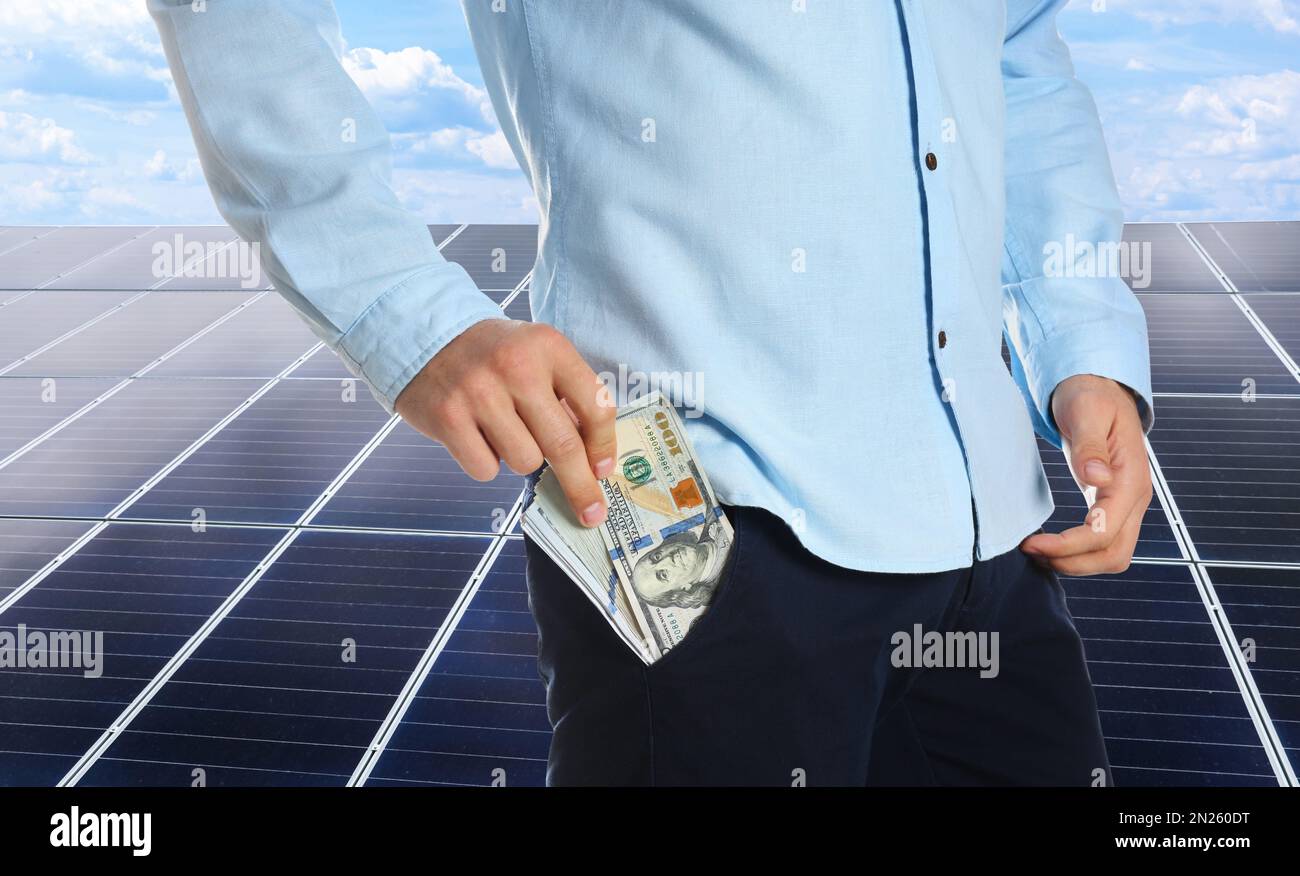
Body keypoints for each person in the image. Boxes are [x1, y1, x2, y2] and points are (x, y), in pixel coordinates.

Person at [150, 0, 1154, 786]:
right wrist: (403, 312)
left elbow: (1017, 49)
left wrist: (1079, 340)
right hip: (675, 501)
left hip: (988, 528)